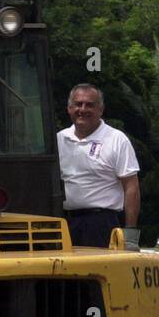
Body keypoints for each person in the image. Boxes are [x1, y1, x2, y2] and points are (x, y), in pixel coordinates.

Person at [57, 83, 141, 248]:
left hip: (100, 224)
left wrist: (130, 235)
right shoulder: (59, 139)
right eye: (78, 104)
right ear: (69, 108)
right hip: (64, 223)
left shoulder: (116, 139)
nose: (83, 109)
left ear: (100, 110)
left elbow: (131, 187)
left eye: (89, 105)